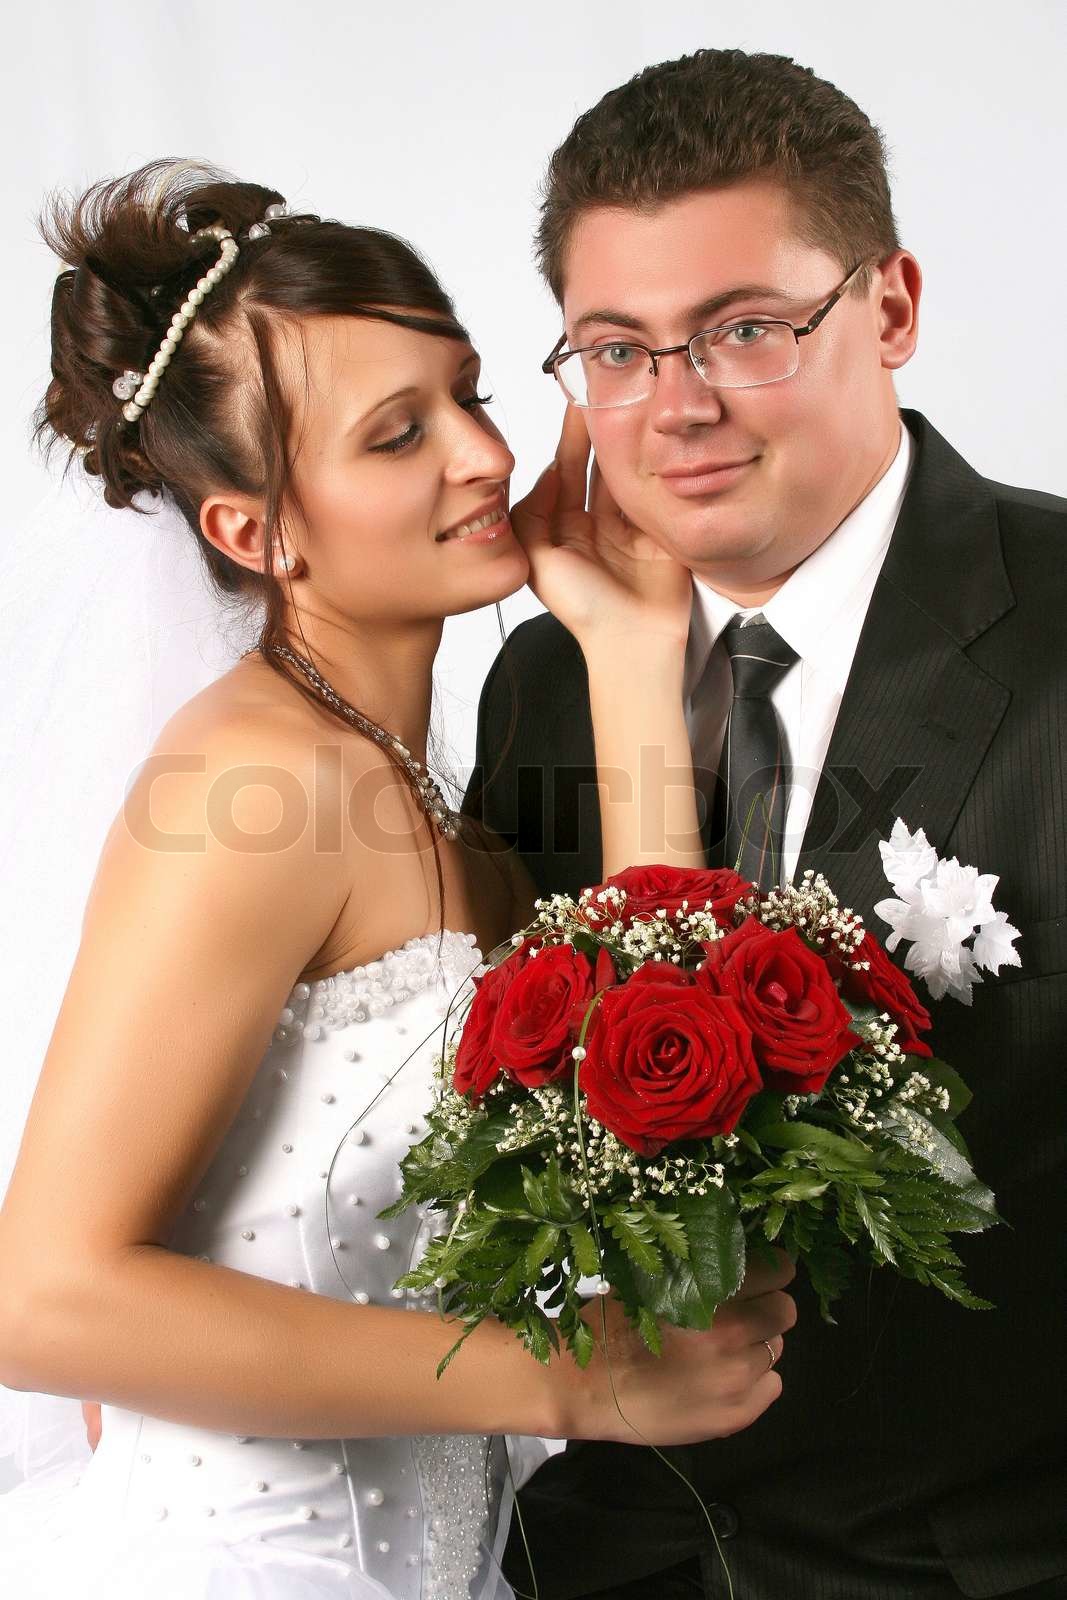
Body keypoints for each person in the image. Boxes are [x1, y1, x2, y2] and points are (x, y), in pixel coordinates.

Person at [0, 159, 797, 1599]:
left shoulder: (422, 802)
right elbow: (41, 1302)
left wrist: (629, 656)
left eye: (471, 394)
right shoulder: (259, 788)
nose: (486, 456)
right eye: (395, 434)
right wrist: (568, 1380)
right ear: (254, 532)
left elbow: (649, 1107)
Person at [465, 47, 1067, 1600]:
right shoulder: (544, 678)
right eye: (616, 349)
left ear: (892, 307)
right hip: (597, 1560)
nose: (678, 408)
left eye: (745, 330)